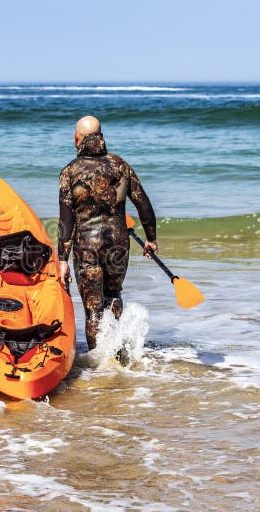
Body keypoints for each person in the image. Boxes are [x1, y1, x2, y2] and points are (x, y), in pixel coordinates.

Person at [58, 116, 158, 350]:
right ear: (101, 137)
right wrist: (151, 239)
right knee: (113, 296)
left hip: (87, 248)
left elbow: (66, 220)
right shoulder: (120, 166)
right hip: (118, 245)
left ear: (77, 139)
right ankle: (117, 353)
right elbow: (144, 205)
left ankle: (99, 362)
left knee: (93, 310)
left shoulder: (70, 172)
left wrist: (62, 259)